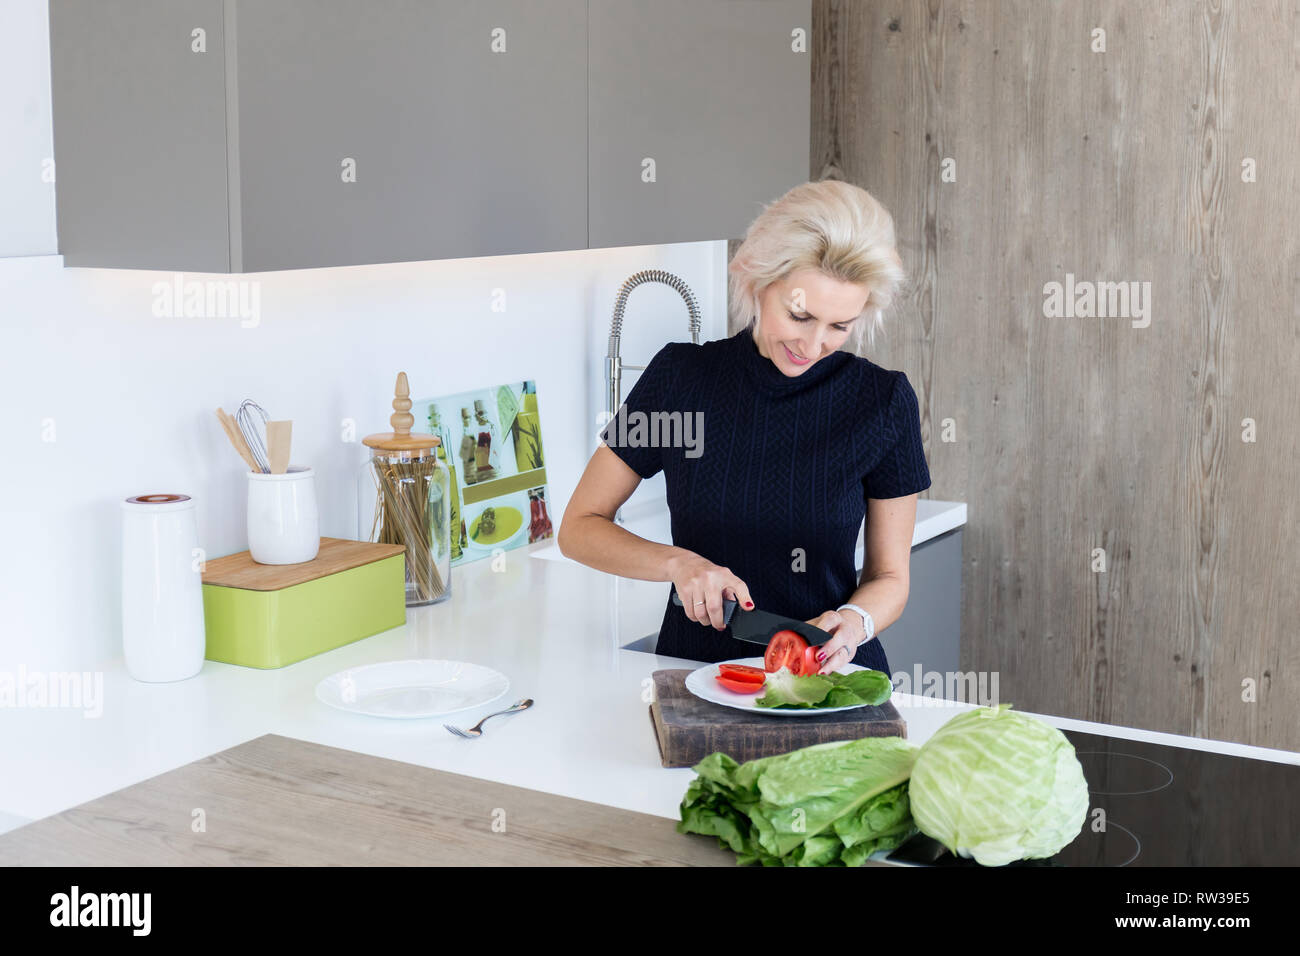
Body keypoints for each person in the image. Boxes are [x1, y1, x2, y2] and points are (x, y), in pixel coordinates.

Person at [557, 180, 930, 677]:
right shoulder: (681, 380)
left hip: (827, 679)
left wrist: (856, 621)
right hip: (695, 676)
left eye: (839, 326)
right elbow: (579, 527)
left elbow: (889, 577)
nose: (814, 344)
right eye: (800, 314)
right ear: (757, 281)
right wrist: (677, 565)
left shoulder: (882, 402)